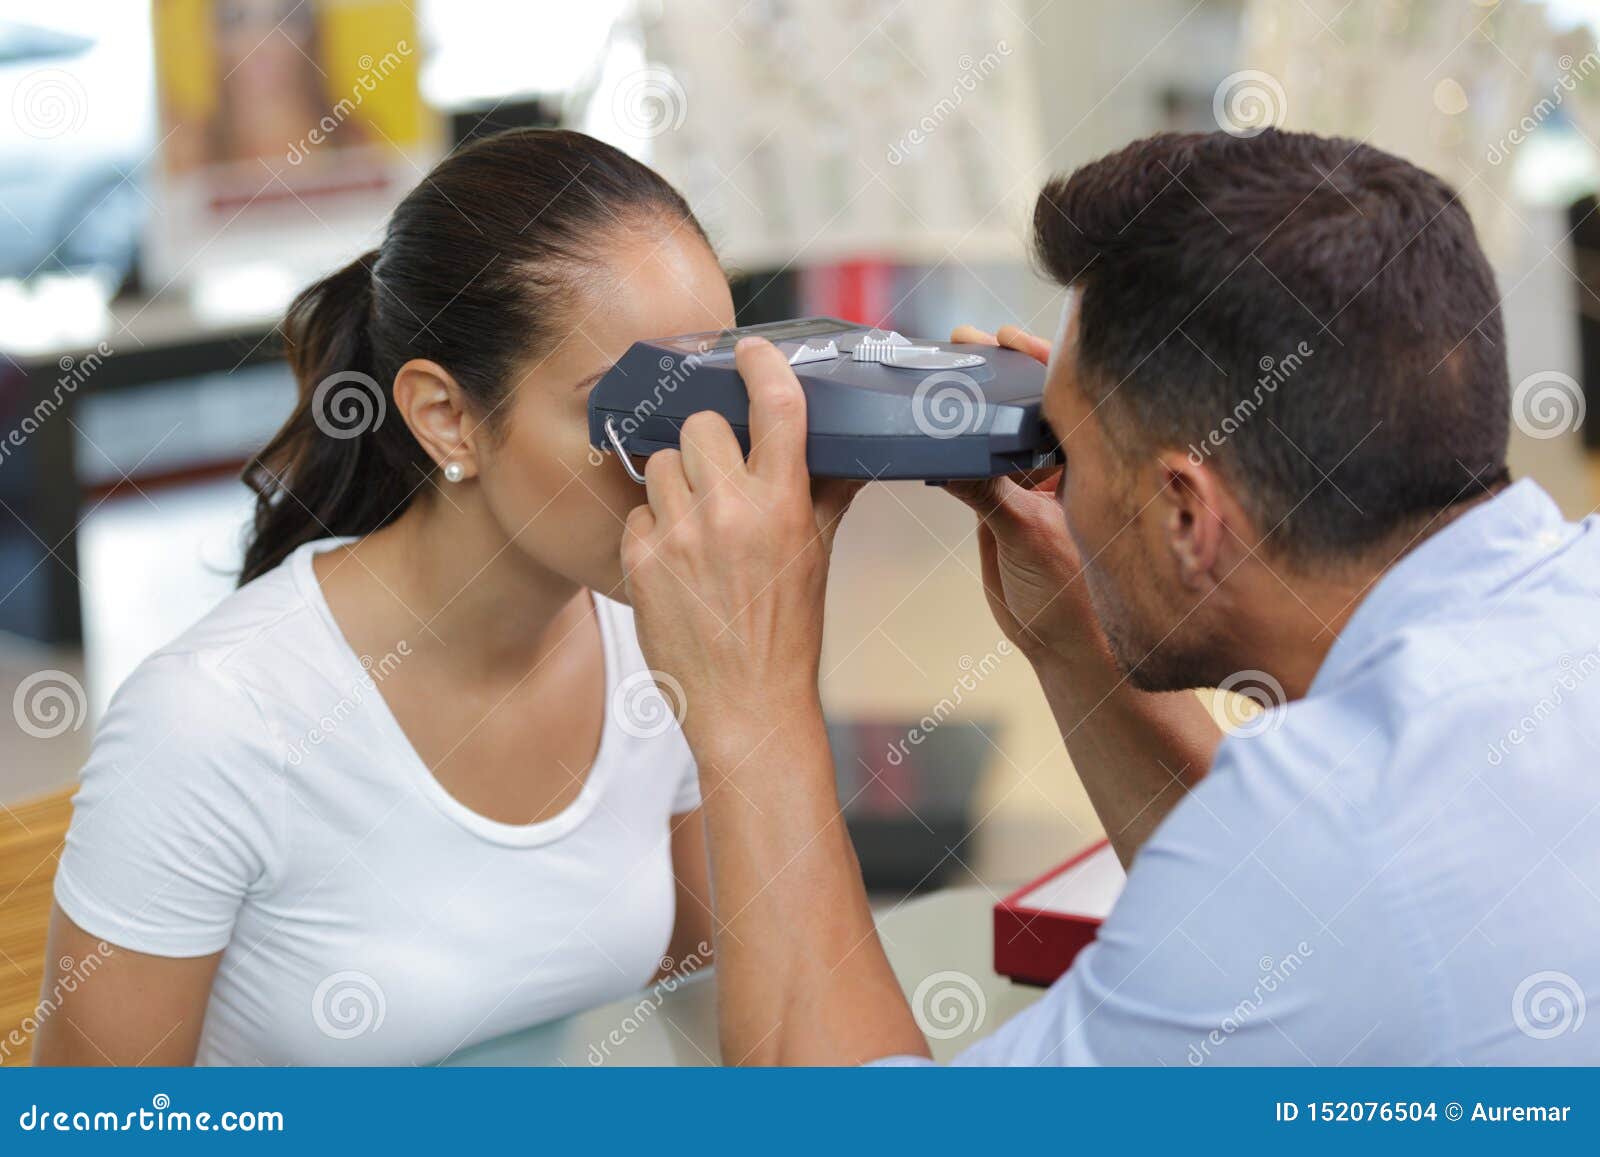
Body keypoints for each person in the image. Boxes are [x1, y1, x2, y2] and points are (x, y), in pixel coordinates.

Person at [621, 129, 1600, 1065]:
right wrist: (1077, 639)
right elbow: (1277, 929)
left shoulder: (1330, 832)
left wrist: (752, 698)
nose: (1056, 487)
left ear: (1185, 513)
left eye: (1070, 454)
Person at [36, 129, 730, 1065]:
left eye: (713, 399)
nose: (691, 460)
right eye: (630, 415)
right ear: (446, 415)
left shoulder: (664, 647)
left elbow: (697, 1022)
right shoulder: (212, 720)